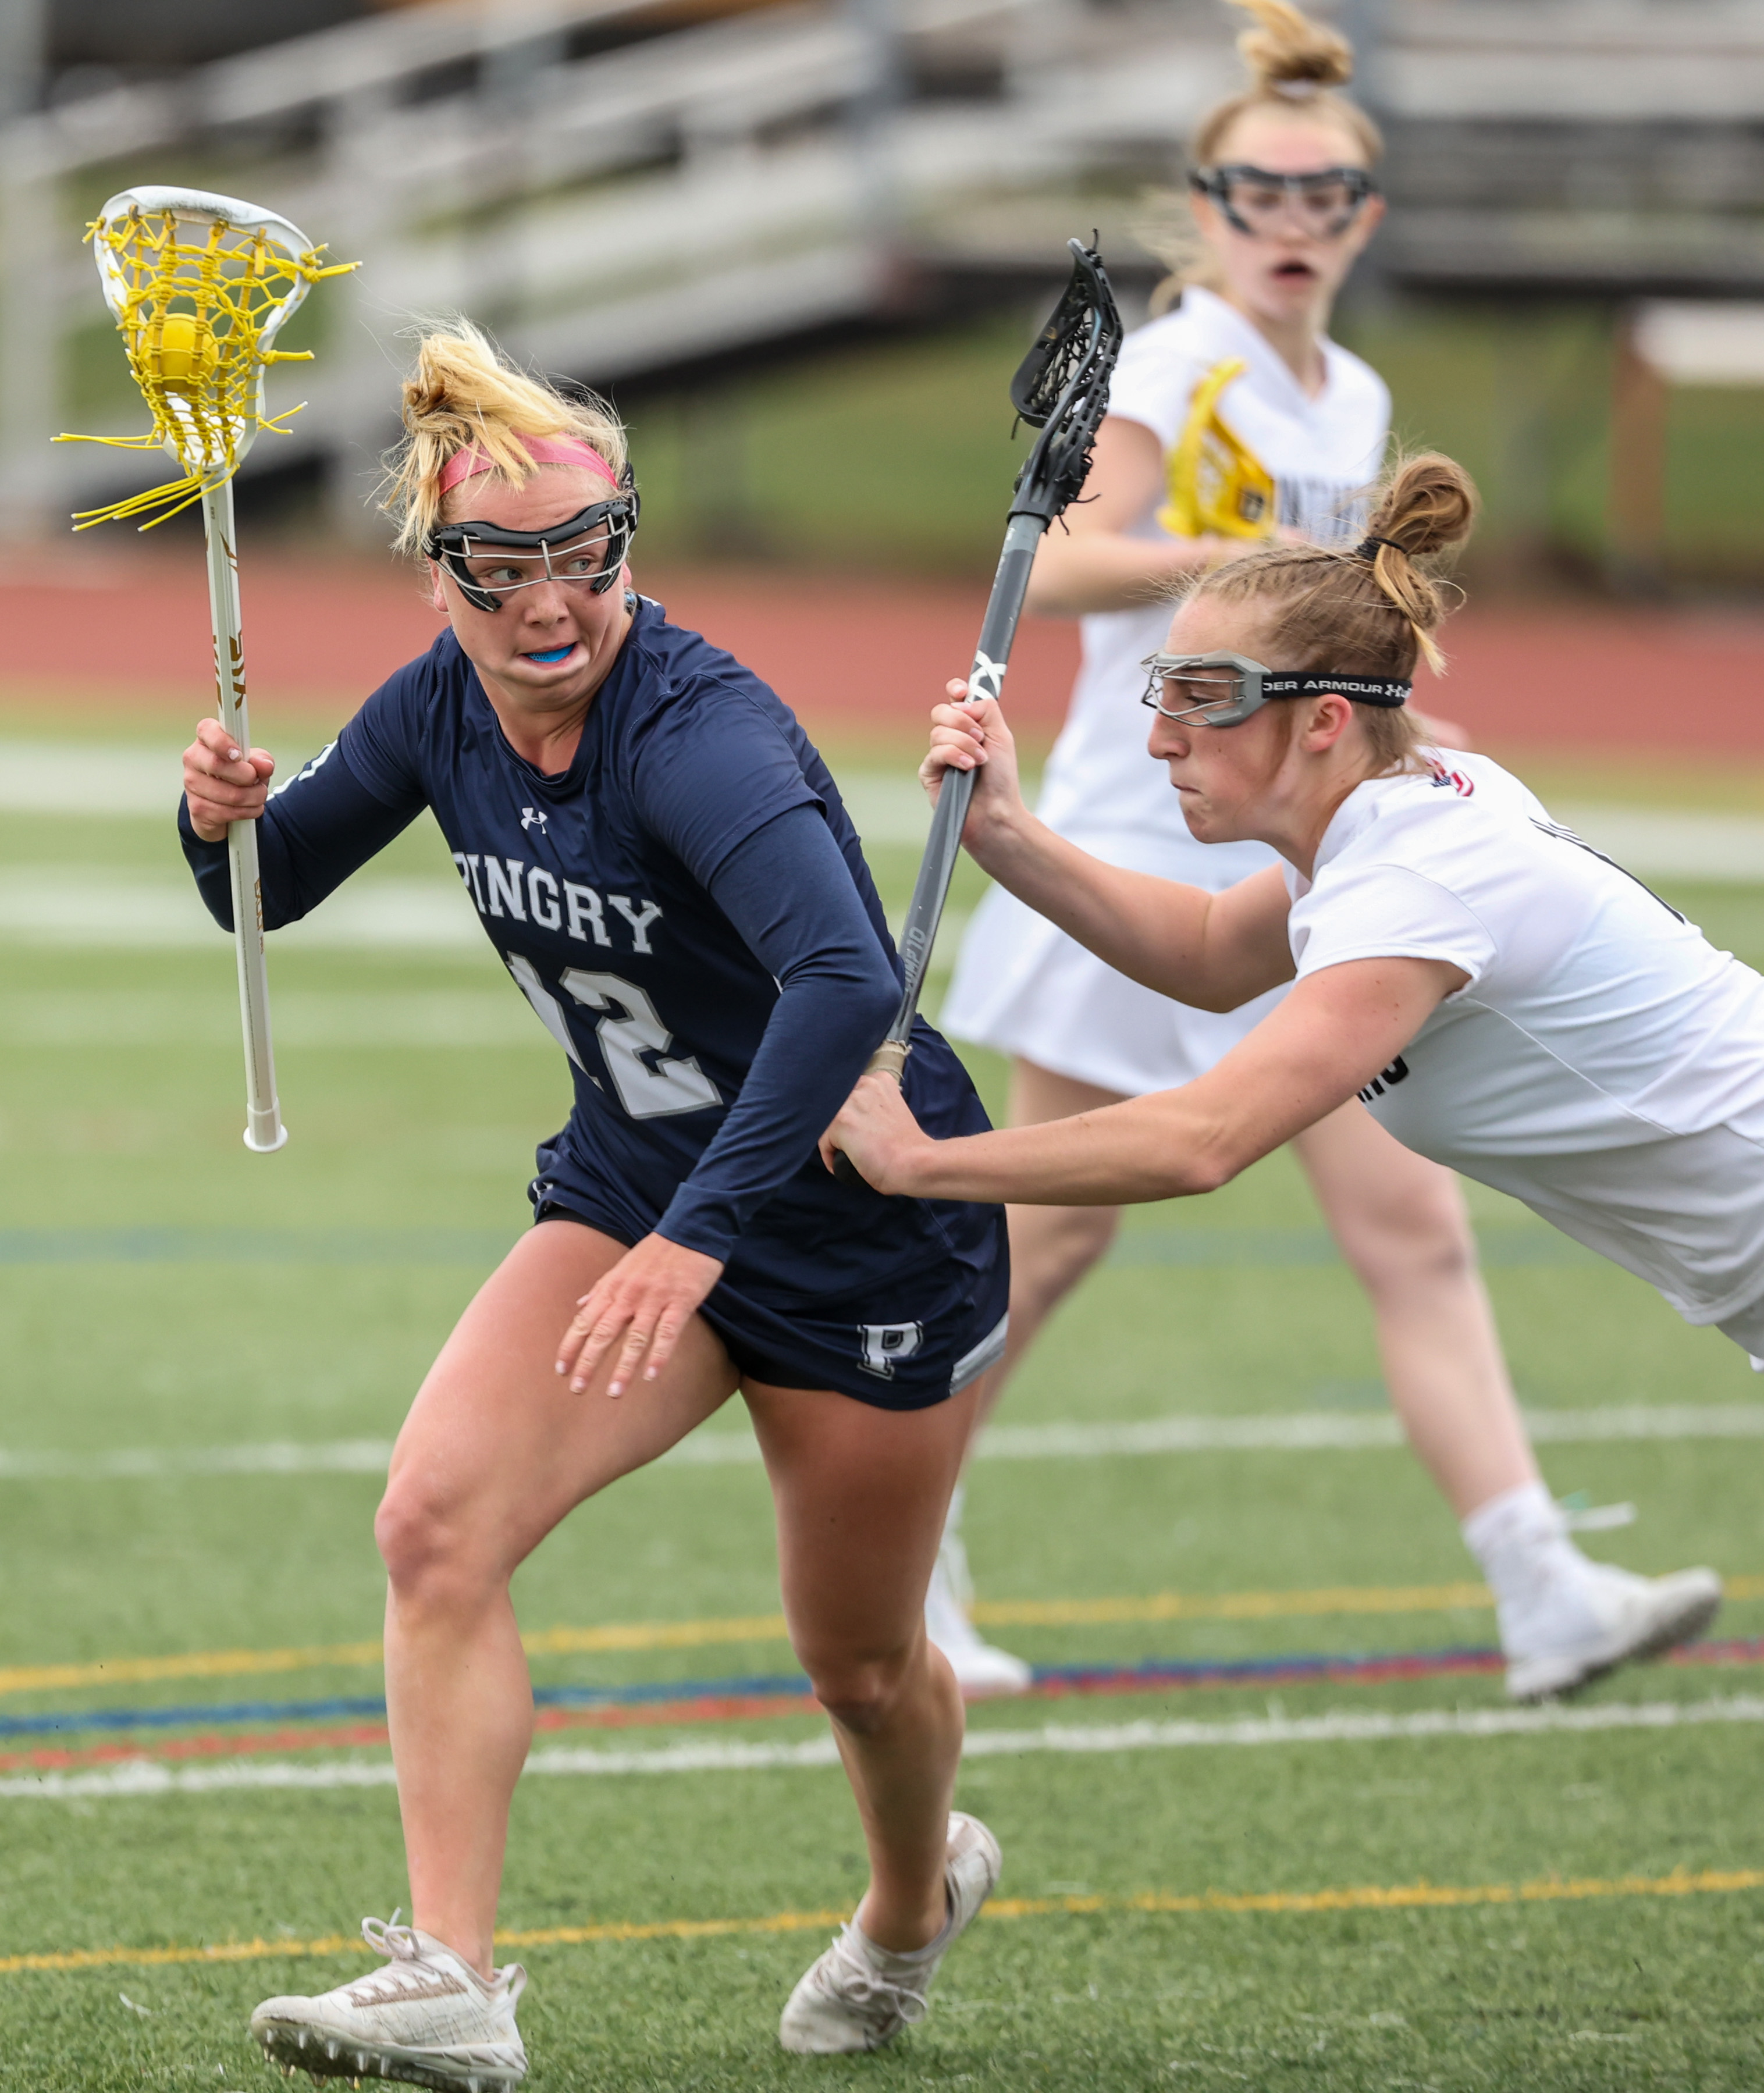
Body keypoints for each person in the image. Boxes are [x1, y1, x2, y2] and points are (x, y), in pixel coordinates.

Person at [177, 323, 1009, 2087]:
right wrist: (217, 823)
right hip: (639, 1180)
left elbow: (845, 978)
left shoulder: (695, 735)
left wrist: (705, 1230)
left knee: (859, 1665)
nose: (554, 599)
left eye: (587, 551)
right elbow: (270, 890)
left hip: (858, 1211)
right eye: (507, 566)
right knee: (433, 1524)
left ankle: (913, 1895)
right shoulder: (437, 705)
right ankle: (457, 1977)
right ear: (443, 574)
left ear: (625, 542)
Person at [926, 0, 1713, 1704]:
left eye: (1329, 198)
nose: (1294, 223)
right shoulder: (1169, 359)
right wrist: (1238, 563)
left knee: (1412, 1230)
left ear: (1367, 217)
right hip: (1145, 828)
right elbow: (1061, 564)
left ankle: (1539, 1581)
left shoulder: (1346, 387)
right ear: (1202, 201)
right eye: (1260, 191)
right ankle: (908, 1545)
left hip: (1313, 864)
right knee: (1045, 1236)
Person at [830, 451, 1733, 1711]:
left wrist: (923, 1163)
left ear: (1322, 718)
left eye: (1206, 698)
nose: (1159, 736)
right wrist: (1010, 835)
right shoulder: (1368, 838)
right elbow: (1205, 956)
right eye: (1164, 688)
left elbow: (1202, 1138)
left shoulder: (1414, 876)